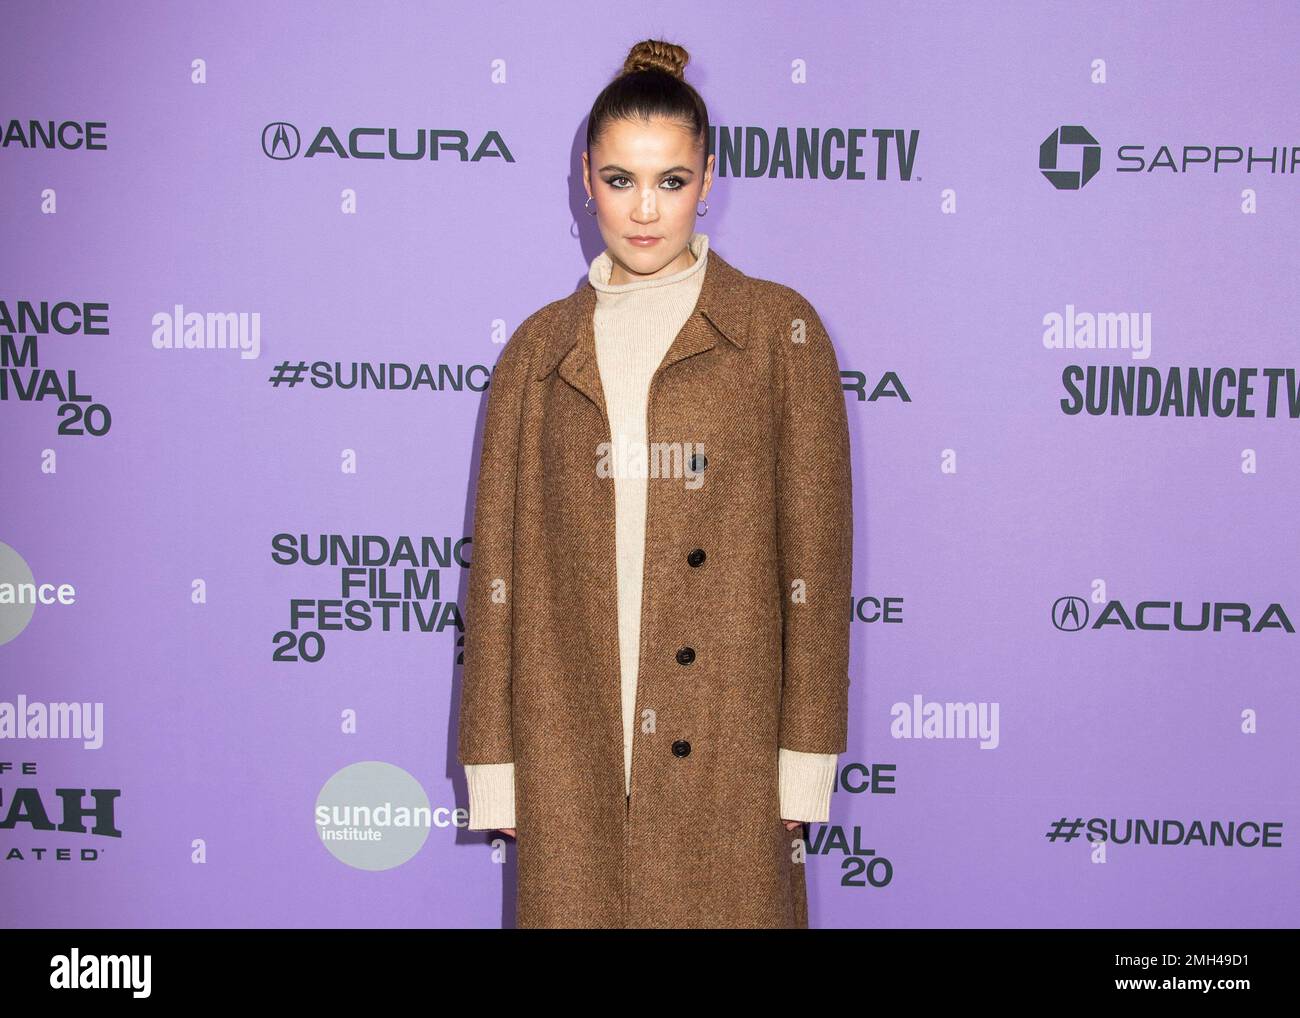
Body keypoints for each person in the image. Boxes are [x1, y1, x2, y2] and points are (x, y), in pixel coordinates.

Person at [457, 38, 853, 928]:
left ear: (707, 180)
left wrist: (804, 759)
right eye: (620, 180)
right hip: (570, 751)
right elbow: (498, 581)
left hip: (733, 747)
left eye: (670, 181)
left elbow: (817, 567)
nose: (645, 210)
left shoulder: (778, 332)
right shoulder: (535, 351)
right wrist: (496, 763)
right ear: (584, 180)